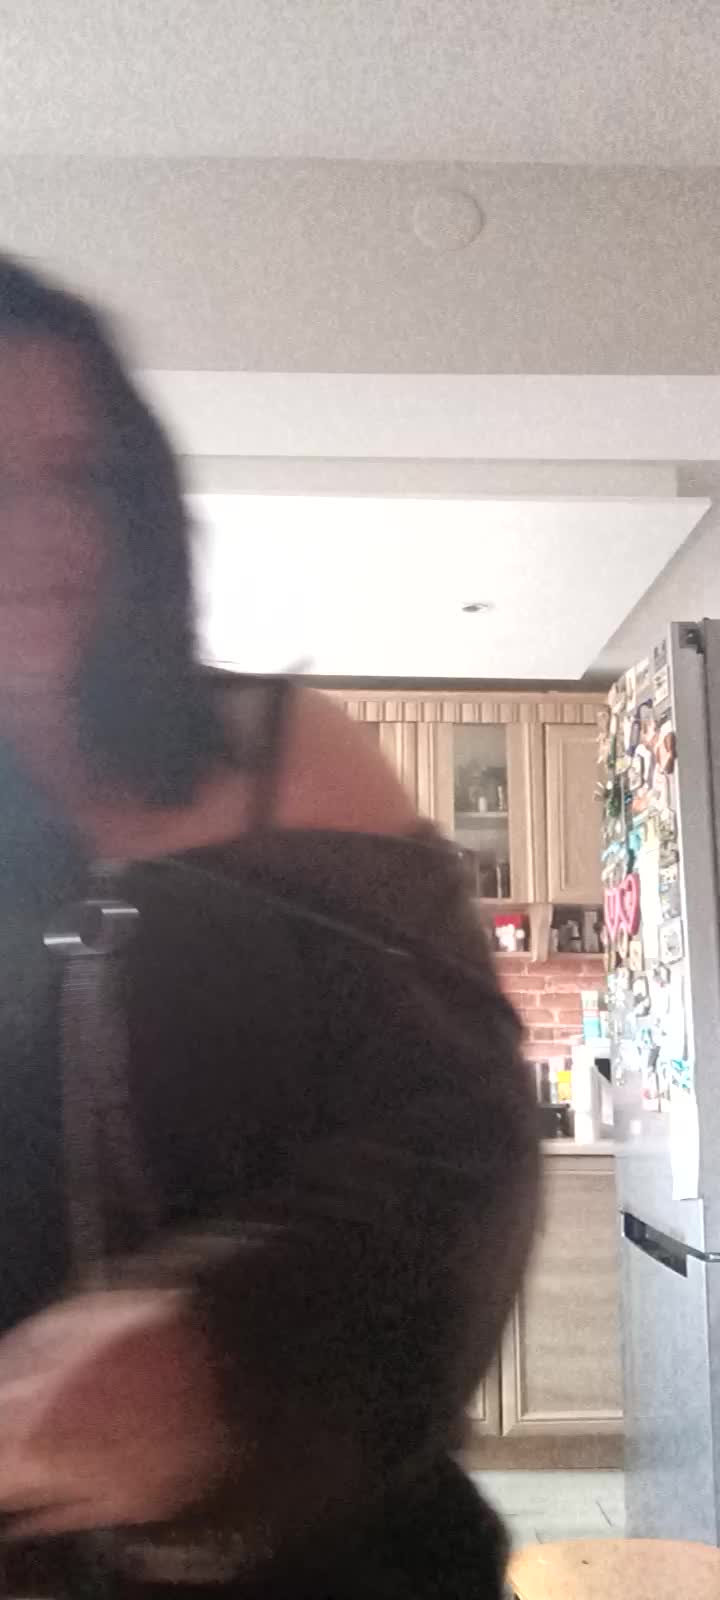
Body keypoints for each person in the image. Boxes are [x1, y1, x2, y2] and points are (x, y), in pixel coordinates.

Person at [0, 256, 539, 1600]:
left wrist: (218, 1364)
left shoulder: (285, 756)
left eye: (72, 475)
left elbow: (461, 1142)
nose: (36, 530)